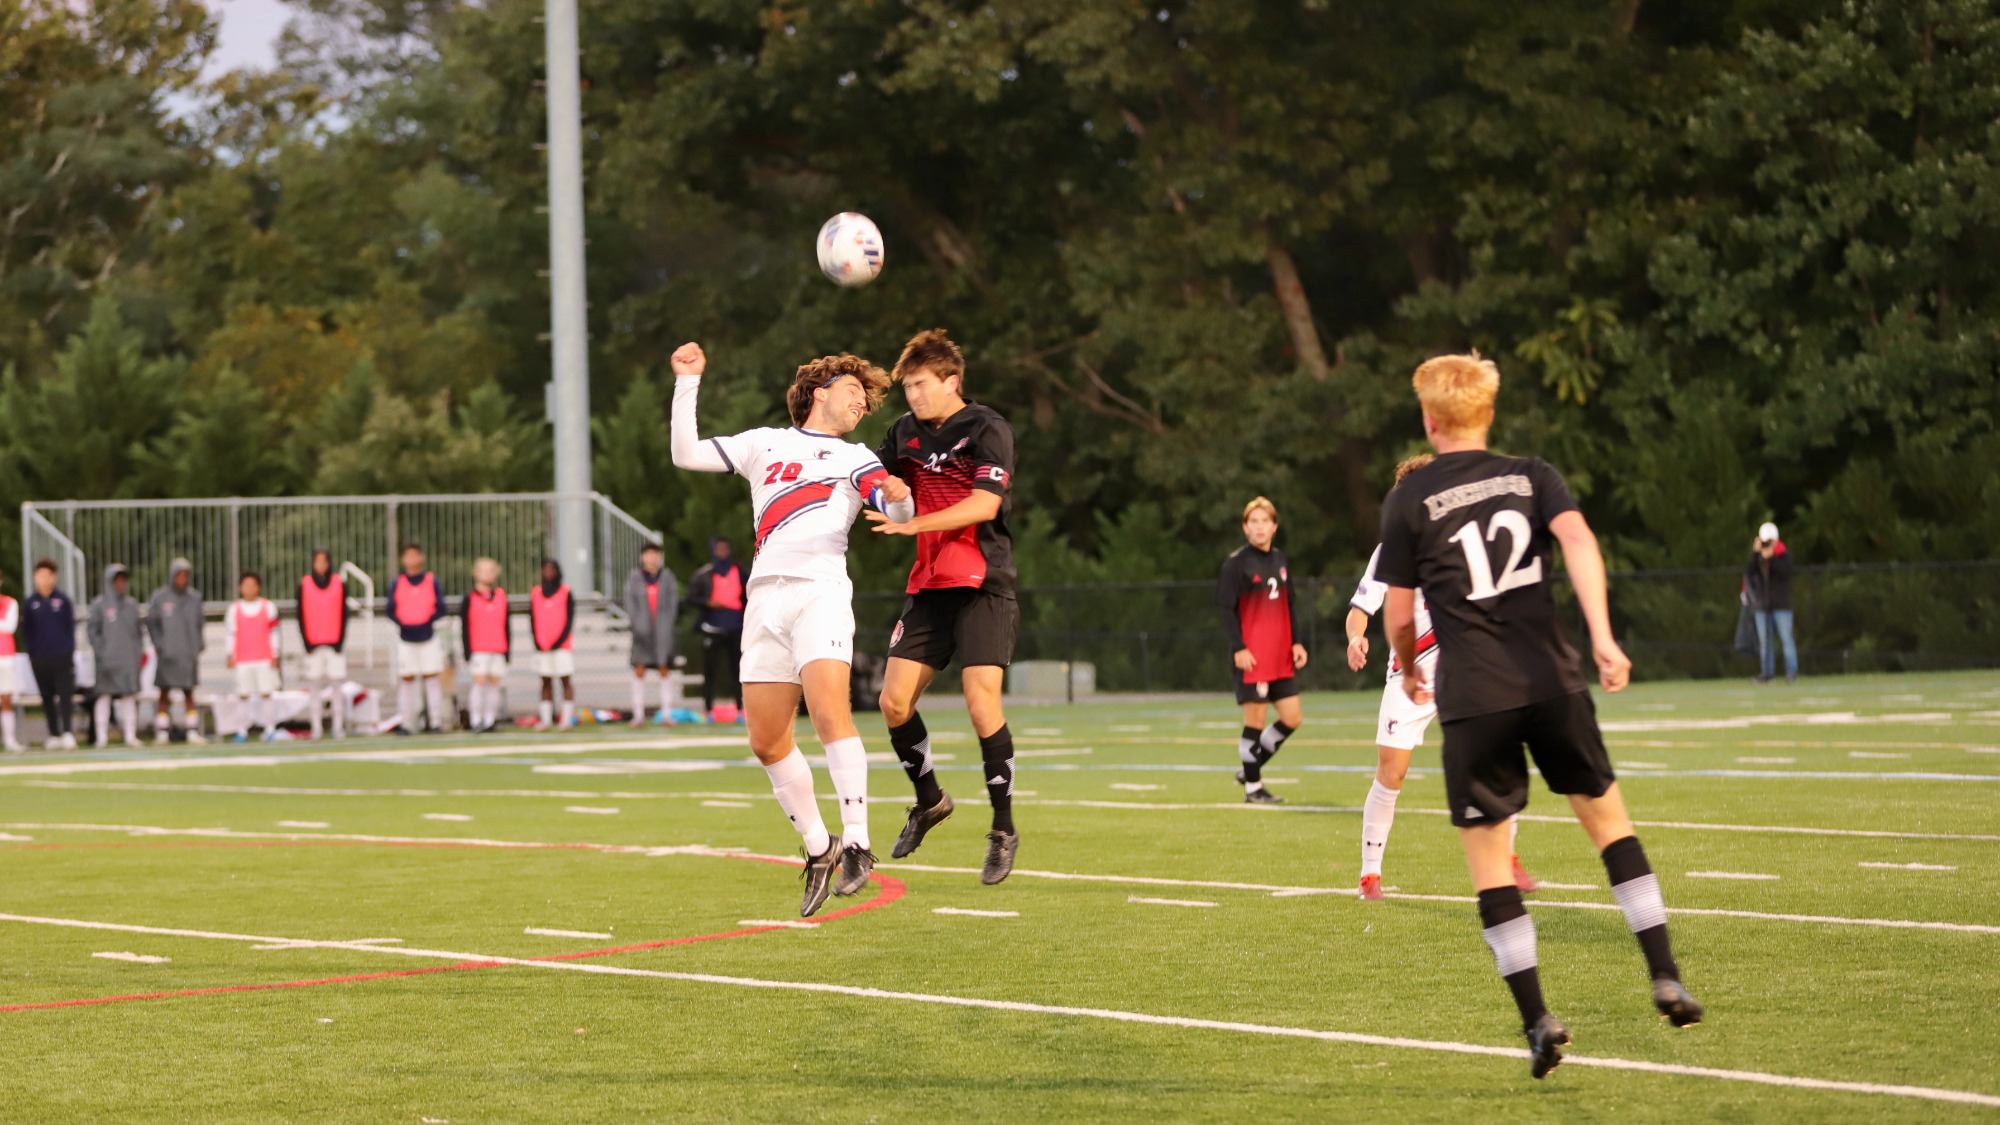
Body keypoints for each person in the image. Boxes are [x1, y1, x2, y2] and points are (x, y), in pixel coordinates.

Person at [1375, 352, 1701, 1080]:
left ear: (1429, 419)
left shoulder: (1407, 498)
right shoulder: (1532, 473)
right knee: (1611, 826)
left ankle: (1537, 1018)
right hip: (1553, 680)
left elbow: (1400, 616)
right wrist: (1604, 636)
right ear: (1489, 413)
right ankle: (1664, 972)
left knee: (1491, 866)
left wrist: (1406, 667)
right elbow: (1580, 541)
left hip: (1475, 695)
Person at [670, 340, 914, 916]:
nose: (861, 405)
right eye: (853, 391)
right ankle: (819, 846)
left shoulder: (858, 459)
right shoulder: (765, 444)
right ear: (820, 390)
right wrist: (688, 383)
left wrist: (901, 502)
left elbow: (895, 509)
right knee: (766, 739)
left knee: (831, 712)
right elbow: (685, 453)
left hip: (819, 594)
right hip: (764, 601)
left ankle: (857, 839)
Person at [868, 328, 1024, 885]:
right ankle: (930, 799)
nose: (912, 395)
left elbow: (984, 502)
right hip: (929, 586)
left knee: (981, 703)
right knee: (892, 702)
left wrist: (914, 521)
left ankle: (1003, 828)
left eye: (920, 384)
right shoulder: (904, 432)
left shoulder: (987, 427)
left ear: (951, 381)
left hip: (984, 583)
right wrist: (886, 484)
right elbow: (875, 474)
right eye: (907, 386)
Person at [1347, 454, 1535, 900]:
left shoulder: (1468, 538)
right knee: (1391, 773)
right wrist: (1356, 638)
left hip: (1465, 668)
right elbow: (1359, 610)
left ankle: (1507, 860)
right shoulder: (1391, 550)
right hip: (1411, 673)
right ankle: (1370, 873)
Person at [1215, 496, 1309, 805]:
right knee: (1254, 722)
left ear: (1274, 526)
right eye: (1252, 521)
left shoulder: (1281, 559)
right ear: (1245, 528)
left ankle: (1249, 768)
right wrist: (1238, 648)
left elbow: (1290, 603)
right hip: (1252, 657)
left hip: (1280, 654)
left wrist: (1296, 641)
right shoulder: (1235, 564)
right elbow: (1225, 609)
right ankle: (1253, 789)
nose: (1259, 527)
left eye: (1264, 521)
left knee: (1292, 717)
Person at [387, 543, 447, 734]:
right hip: (406, 638)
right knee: (407, 680)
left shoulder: (431, 581)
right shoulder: (397, 583)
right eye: (408, 556)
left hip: (428, 637)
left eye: (415, 555)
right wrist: (405, 623)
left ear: (421, 558)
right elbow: (390, 609)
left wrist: (426, 621)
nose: (412, 560)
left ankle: (435, 722)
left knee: (431, 678)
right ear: (403, 560)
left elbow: (441, 608)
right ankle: (406, 723)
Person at [145, 558, 205, 745]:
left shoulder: (194, 598)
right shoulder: (160, 597)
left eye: (185, 575)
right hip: (167, 655)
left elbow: (200, 624)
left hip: (188, 654)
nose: (182, 578)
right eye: (179, 574)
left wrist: (198, 645)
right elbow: (152, 622)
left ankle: (192, 730)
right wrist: (159, 644)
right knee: (164, 693)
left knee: (189, 692)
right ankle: (162, 731)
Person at [19, 560, 77, 750]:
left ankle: (67, 732)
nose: (44, 579)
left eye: (48, 575)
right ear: (35, 577)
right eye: (40, 575)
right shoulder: (30, 603)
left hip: (62, 656)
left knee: (65, 695)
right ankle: (53, 734)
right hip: (40, 658)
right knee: (47, 697)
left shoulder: (63, 600)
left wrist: (68, 651)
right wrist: (32, 653)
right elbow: (26, 631)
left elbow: (70, 628)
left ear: (54, 577)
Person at [686, 536, 746, 721]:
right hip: (712, 627)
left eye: (725, 549)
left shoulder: (740, 572)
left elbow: (751, 594)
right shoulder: (704, 574)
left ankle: (741, 709)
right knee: (709, 671)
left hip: (736, 627)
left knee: (739, 671)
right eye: (718, 549)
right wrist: (708, 603)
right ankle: (708, 710)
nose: (722, 553)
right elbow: (690, 598)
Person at [86, 564, 144, 748]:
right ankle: (101, 736)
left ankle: (130, 735)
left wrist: (136, 655)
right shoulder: (98, 605)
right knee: (103, 697)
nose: (121, 583)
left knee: (129, 697)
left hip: (128, 660)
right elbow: (92, 632)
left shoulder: (132, 605)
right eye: (117, 580)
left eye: (123, 580)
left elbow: (138, 634)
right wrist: (102, 652)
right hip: (106, 662)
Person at [297, 548, 351, 740]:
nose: (321, 565)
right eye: (317, 561)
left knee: (337, 687)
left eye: (324, 561)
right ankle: (316, 727)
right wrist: (306, 643)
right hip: (313, 644)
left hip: (334, 643)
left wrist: (341, 641)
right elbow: (300, 615)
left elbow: (345, 614)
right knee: (314, 688)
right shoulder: (304, 584)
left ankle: (338, 727)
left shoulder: (339, 583)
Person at [623, 543, 679, 727]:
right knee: (639, 669)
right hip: (642, 631)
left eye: (655, 554)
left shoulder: (667, 577)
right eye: (648, 554)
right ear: (642, 557)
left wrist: (667, 623)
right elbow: (630, 604)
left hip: (662, 631)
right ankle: (638, 714)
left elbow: (673, 603)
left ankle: (667, 714)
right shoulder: (635, 578)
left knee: (664, 669)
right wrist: (637, 623)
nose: (651, 558)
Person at [225, 572, 282, 742]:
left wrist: (275, 653)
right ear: (240, 588)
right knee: (243, 695)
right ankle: (242, 730)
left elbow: (274, 632)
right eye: (246, 585)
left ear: (258, 587)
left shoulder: (269, 607)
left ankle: (270, 729)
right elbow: (230, 634)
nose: (249, 588)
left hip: (264, 657)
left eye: (253, 585)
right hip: (243, 659)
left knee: (267, 693)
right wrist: (230, 654)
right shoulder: (234, 609)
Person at [461, 558, 511, 733]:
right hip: (478, 647)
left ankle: (490, 720)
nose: (487, 574)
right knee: (479, 683)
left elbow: (506, 624)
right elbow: (464, 627)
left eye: (491, 570)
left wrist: (507, 651)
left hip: (498, 646)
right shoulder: (470, 597)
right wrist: (467, 651)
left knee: (494, 684)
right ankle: (476, 720)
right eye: (483, 570)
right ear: (476, 573)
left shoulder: (501, 596)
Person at [1746, 521, 1798, 685]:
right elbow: (1749, 572)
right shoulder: (1758, 557)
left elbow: (1786, 571)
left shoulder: (1785, 556)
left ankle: (1791, 672)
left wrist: (1771, 558)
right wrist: (1756, 554)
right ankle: (1767, 673)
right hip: (1762, 605)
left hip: (1781, 605)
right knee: (1765, 642)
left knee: (1786, 639)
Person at [530, 558, 577, 732]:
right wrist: (538, 642)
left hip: (562, 645)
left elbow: (569, 619)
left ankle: (566, 720)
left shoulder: (565, 592)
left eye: (552, 569)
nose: (548, 572)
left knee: (565, 680)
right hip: (542, 645)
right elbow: (532, 619)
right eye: (545, 569)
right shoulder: (536, 592)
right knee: (545, 682)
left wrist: (558, 641)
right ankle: (546, 720)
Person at [0, 567, 22, 752]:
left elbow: (9, 626)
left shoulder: (9, 602)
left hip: (5, 657)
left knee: (6, 699)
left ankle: (9, 740)